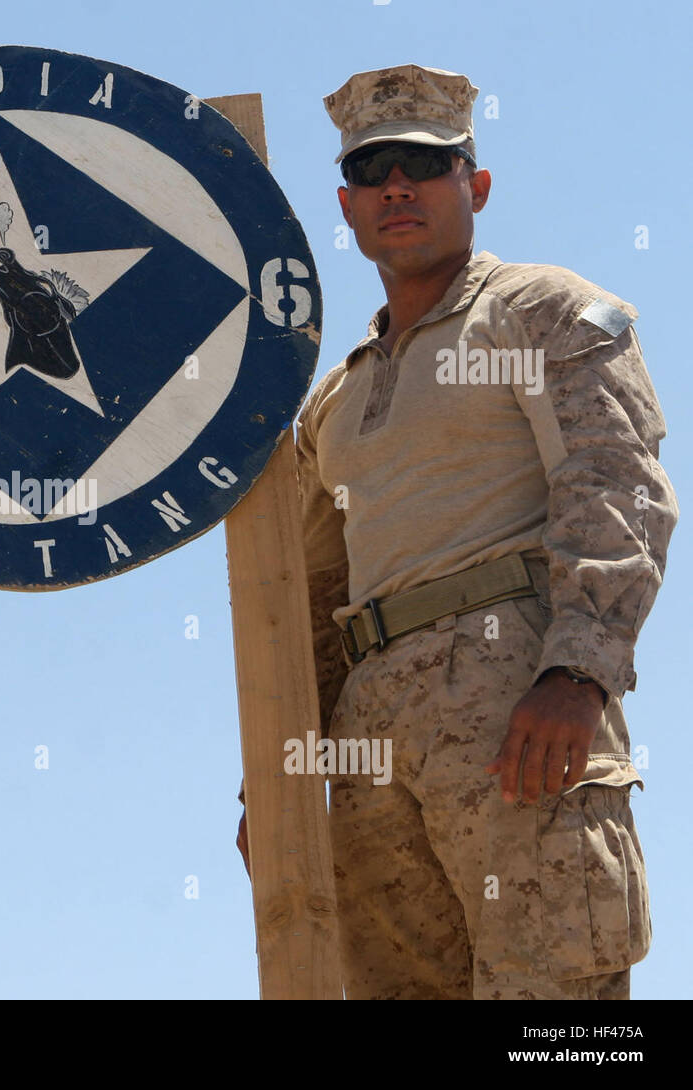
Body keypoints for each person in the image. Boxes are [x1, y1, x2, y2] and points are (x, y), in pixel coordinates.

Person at [238, 64, 676, 999]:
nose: (399, 185)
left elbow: (617, 484)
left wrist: (578, 671)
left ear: (474, 186)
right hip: (367, 731)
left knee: (555, 1005)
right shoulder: (335, 399)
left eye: (427, 165)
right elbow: (309, 594)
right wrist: (278, 773)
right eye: (374, 169)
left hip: (516, 695)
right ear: (347, 207)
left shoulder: (541, 310)